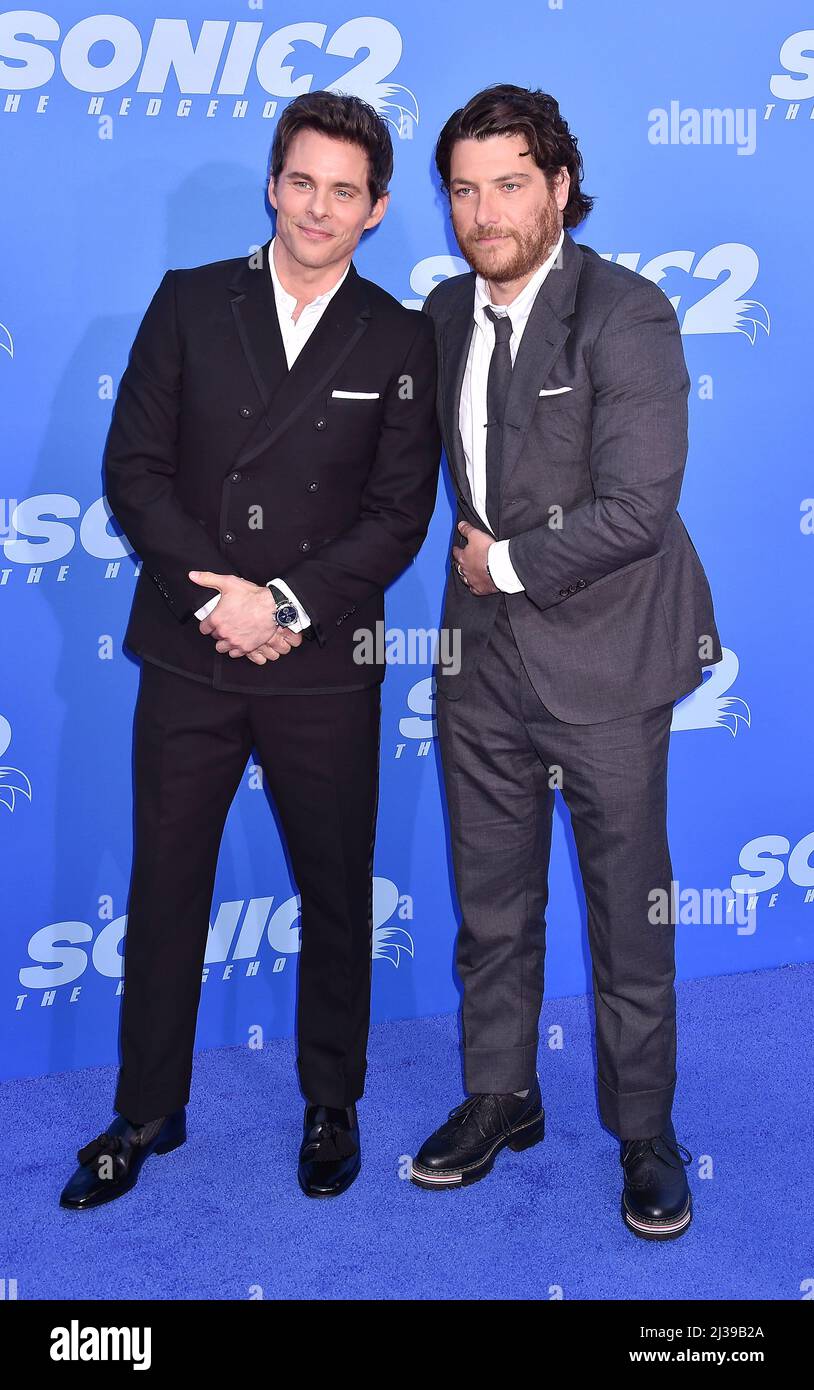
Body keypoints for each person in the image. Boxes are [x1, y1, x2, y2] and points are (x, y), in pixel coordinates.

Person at [59, 91, 441, 1210]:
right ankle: (146, 1107)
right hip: (191, 649)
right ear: (272, 184)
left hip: (320, 658)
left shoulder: (400, 336)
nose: (319, 207)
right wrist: (219, 601)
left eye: (345, 191)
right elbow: (135, 471)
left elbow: (395, 514)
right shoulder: (185, 304)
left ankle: (332, 1100)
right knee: (166, 882)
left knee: (333, 890)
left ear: (373, 211)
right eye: (302, 181)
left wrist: (282, 601)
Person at [412, 84, 723, 1240]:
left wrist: (506, 565)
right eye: (463, 188)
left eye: (507, 184)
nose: (483, 211)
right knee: (490, 907)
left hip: (606, 660)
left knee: (625, 913)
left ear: (556, 187)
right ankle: (501, 1096)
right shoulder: (443, 314)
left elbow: (639, 507)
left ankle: (644, 1131)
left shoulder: (624, 312)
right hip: (480, 665)